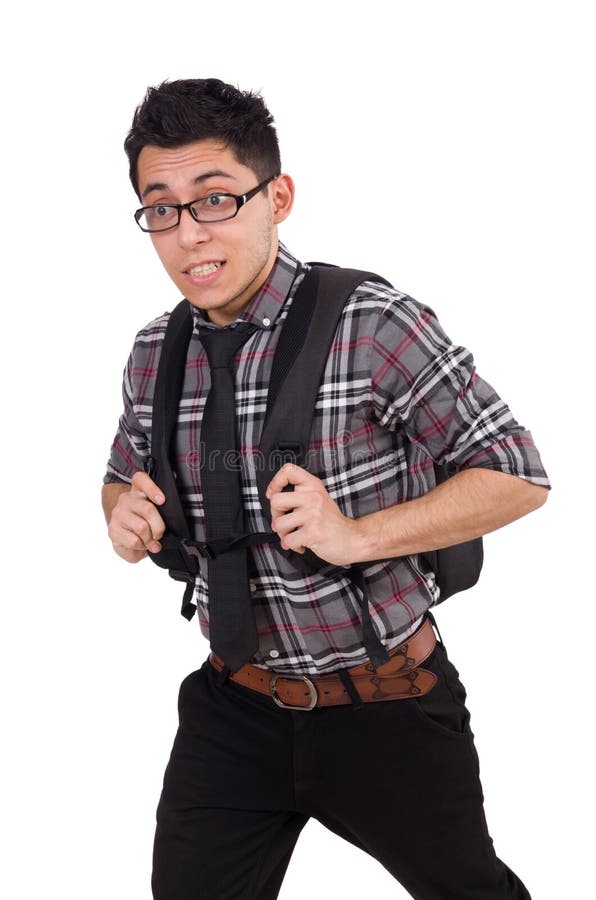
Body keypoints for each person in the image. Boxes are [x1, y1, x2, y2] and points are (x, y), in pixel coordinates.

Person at [102, 78, 550, 900]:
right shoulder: (154, 351)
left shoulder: (371, 322)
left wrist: (360, 535)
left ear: (278, 196)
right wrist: (121, 517)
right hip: (232, 708)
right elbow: (118, 474)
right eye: (159, 208)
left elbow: (517, 472)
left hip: (388, 704)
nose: (187, 233)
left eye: (215, 200)